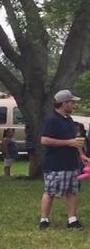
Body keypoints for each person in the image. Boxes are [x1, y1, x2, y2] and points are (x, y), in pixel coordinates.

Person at [38, 90, 89, 231]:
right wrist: (68, 142)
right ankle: (44, 220)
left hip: (71, 163)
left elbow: (74, 141)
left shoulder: (68, 119)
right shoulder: (51, 119)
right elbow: (44, 140)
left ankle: (72, 220)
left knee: (71, 192)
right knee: (50, 192)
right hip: (55, 164)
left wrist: (81, 155)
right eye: (72, 102)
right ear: (64, 103)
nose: (74, 105)